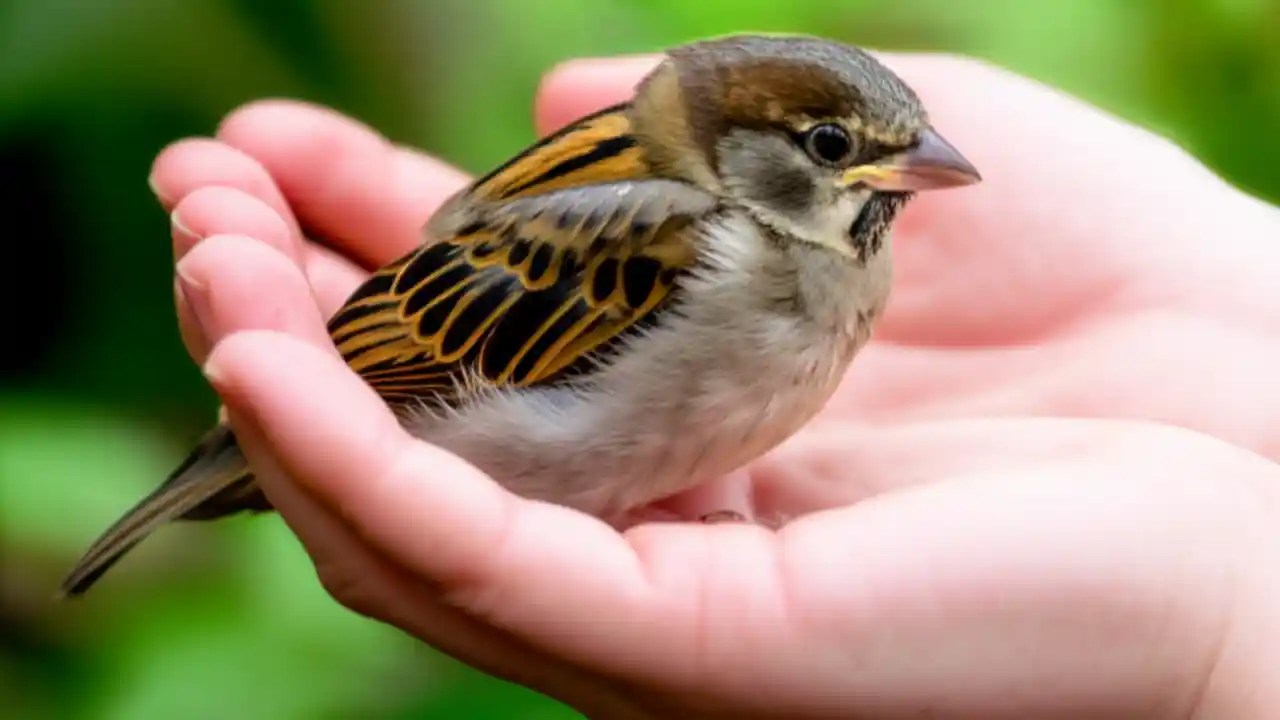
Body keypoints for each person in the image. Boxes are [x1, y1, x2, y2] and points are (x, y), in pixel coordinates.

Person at [150, 52, 1280, 718]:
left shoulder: (838, 253)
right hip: (433, 388)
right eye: (836, 148)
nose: (907, 170)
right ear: (743, 158)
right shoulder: (691, 240)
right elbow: (452, 348)